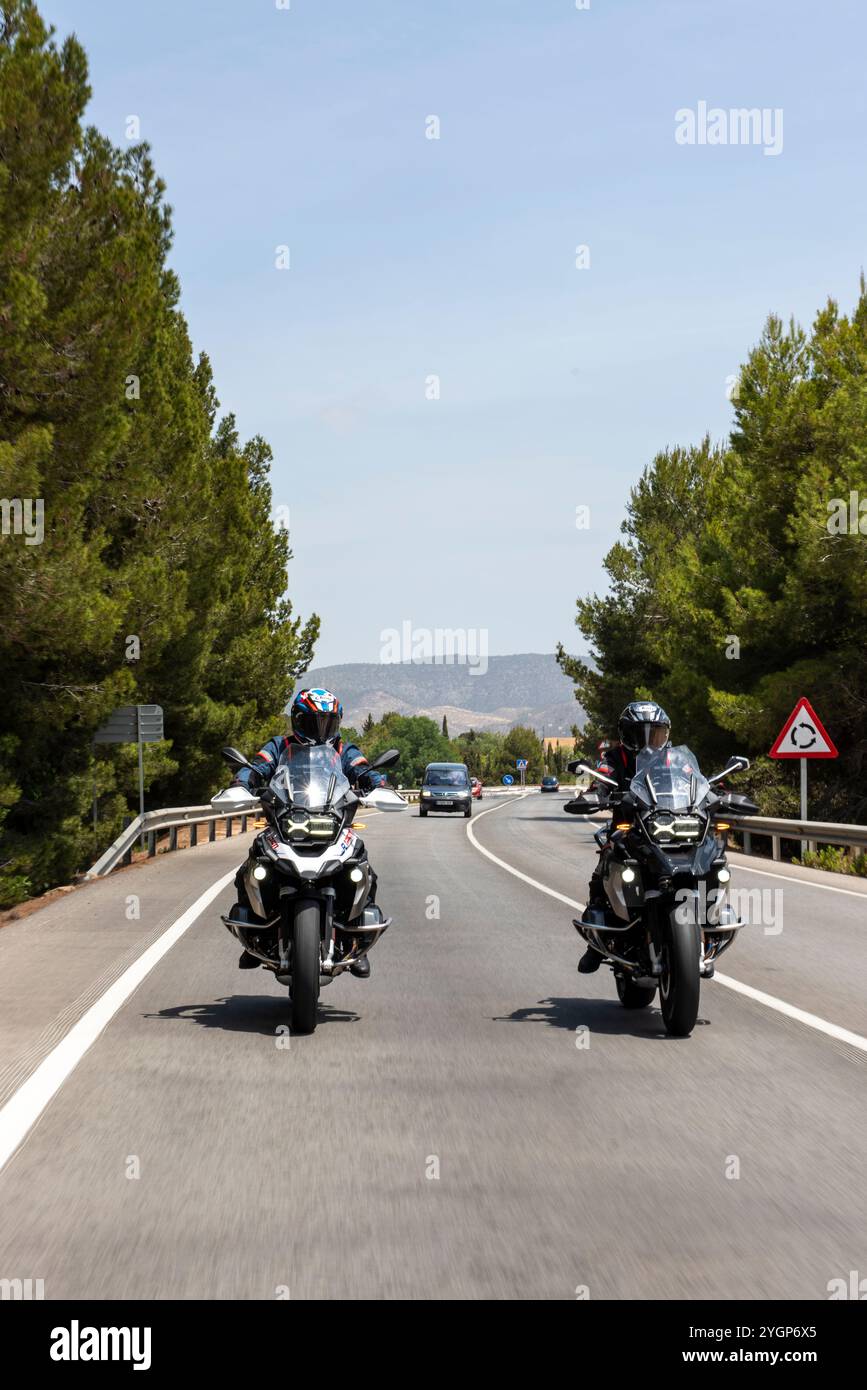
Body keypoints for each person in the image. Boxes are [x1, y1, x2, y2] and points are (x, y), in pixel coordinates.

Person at [232, 688, 387, 978]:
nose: (321, 729)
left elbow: (363, 770)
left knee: (362, 866)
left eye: (327, 722)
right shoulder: (280, 746)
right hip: (287, 820)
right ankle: (253, 930)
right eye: (314, 722)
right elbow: (257, 767)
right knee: (252, 866)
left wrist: (379, 785)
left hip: (333, 821)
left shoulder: (343, 750)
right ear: (298, 720)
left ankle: (356, 942)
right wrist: (243, 782)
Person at [576, 701, 671, 974]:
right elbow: (603, 778)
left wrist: (714, 792)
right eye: (639, 733)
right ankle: (596, 944)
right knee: (604, 867)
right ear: (625, 734)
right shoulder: (614, 759)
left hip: (667, 828)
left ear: (664, 734)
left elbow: (693, 778)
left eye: (654, 733)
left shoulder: (672, 758)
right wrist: (598, 793)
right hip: (629, 828)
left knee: (708, 862)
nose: (647, 740)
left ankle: (700, 935)